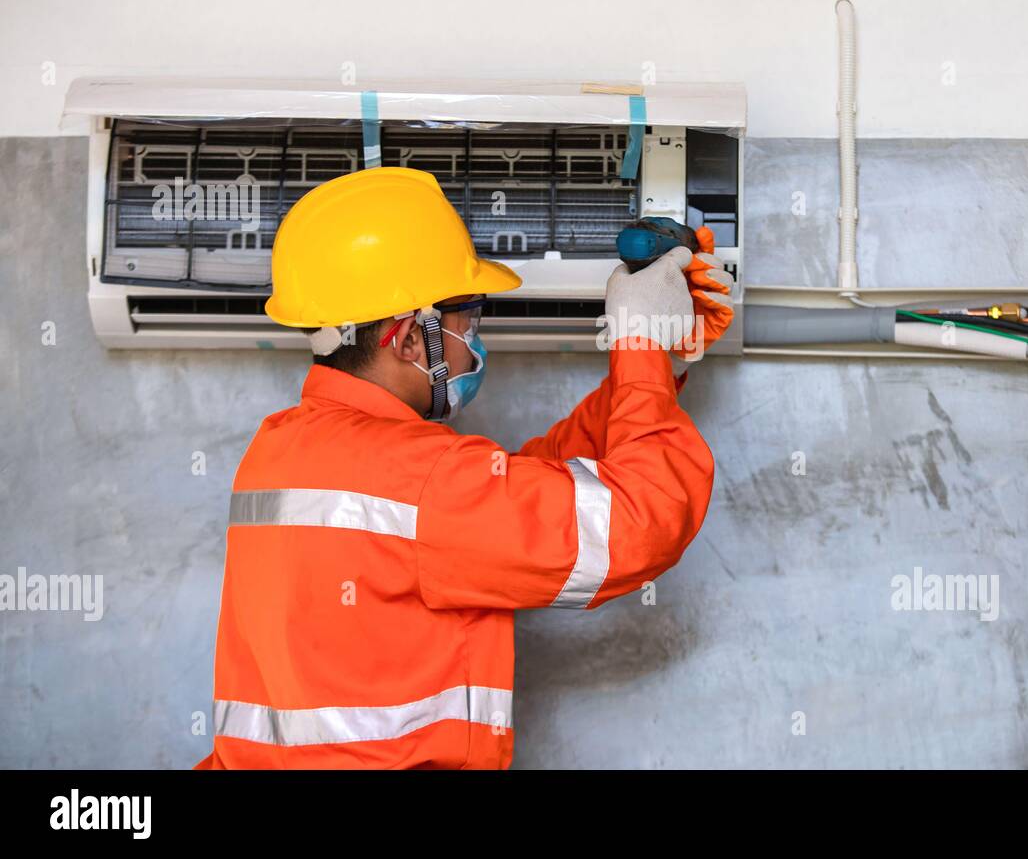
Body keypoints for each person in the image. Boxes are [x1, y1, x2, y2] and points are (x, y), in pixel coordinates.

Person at [195, 166, 734, 768]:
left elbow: (520, 498)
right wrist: (637, 345)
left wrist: (652, 366)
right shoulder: (421, 480)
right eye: (465, 315)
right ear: (405, 340)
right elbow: (637, 519)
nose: (474, 336)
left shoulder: (280, 447)